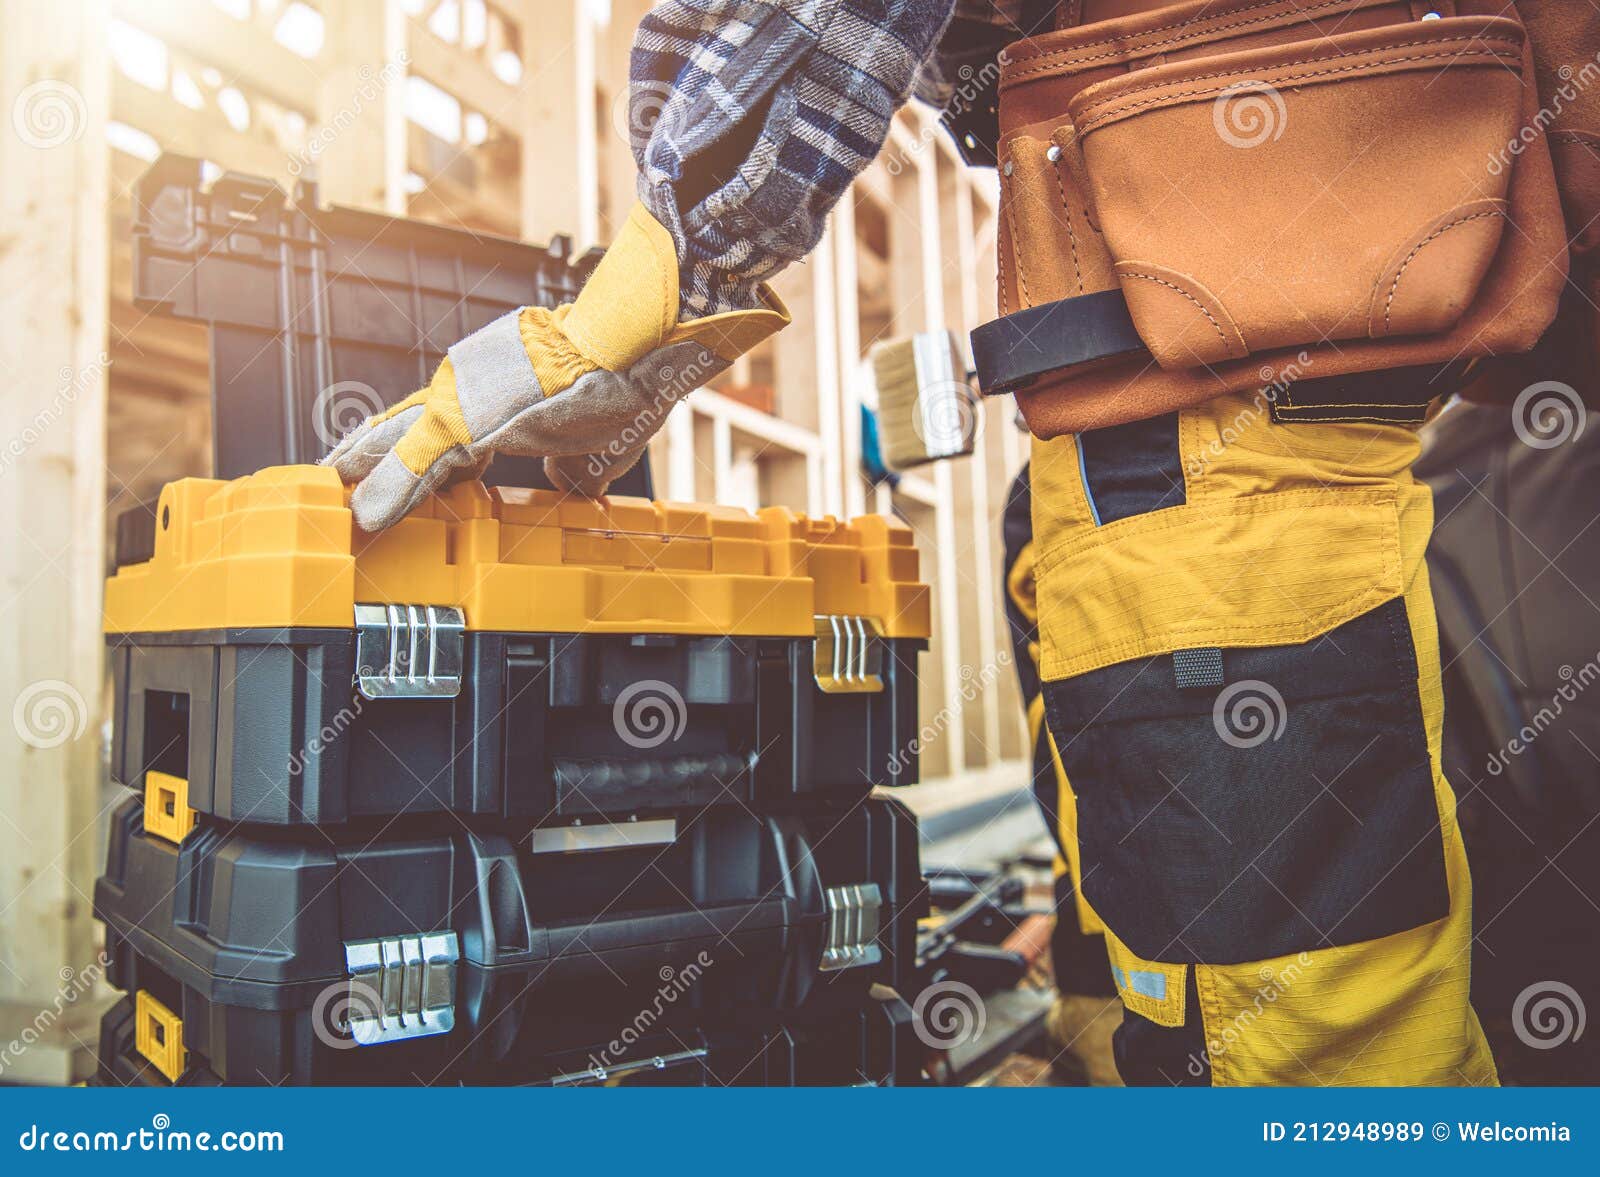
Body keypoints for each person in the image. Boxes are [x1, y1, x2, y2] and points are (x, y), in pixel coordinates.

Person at [331, 0, 1587, 1085]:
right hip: (1376, 346)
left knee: (1298, 1042)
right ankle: (1124, 1026)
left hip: (1219, 417)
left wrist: (678, 264)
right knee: (1056, 568)